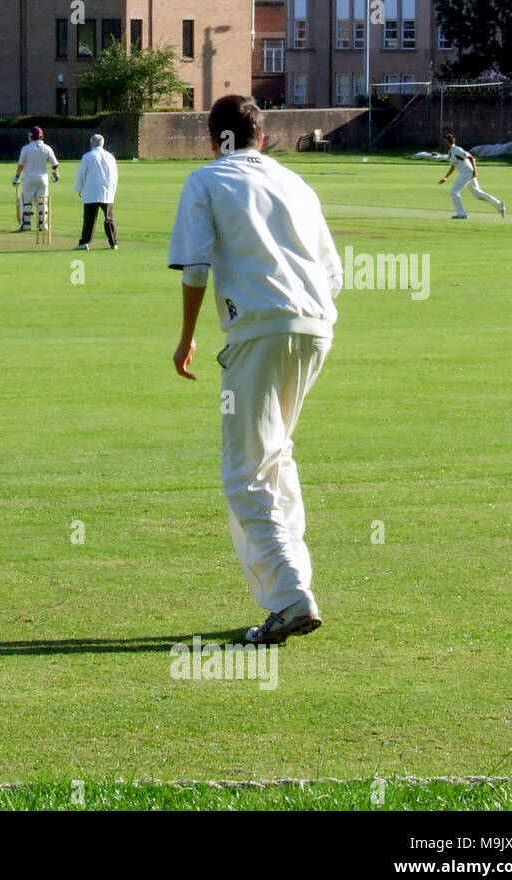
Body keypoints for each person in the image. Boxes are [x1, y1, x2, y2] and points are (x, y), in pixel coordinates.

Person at [166, 95, 343, 645]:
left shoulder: (205, 180)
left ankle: (290, 596)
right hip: (316, 327)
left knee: (244, 472)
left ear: (212, 137)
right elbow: (332, 272)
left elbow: (195, 268)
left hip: (259, 331)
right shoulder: (297, 183)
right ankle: (296, 584)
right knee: (277, 457)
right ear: (261, 136)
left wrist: (188, 335)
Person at [439, 133, 505, 219]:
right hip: (466, 173)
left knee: (454, 191)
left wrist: (474, 171)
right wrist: (446, 177)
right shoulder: (451, 152)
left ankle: (462, 213)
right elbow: (453, 166)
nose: (444, 143)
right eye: (444, 142)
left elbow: (471, 158)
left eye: (445, 142)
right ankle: (499, 205)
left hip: (467, 173)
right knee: (477, 194)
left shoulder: (457, 150)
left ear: (450, 142)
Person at [72, 134, 118, 250]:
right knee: (109, 217)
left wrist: (79, 188)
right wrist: (113, 190)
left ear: (91, 143)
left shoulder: (87, 156)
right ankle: (114, 243)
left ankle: (84, 243)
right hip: (107, 191)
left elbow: (81, 174)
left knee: (89, 218)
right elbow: (115, 176)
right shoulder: (110, 157)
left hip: (91, 191)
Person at [13, 126, 59, 232]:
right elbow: (55, 165)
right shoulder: (47, 148)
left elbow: (21, 165)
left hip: (29, 179)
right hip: (43, 179)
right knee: (42, 202)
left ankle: (26, 225)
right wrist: (55, 175)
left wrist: (17, 176)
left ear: (30, 136)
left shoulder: (26, 148)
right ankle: (43, 225)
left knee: (27, 202)